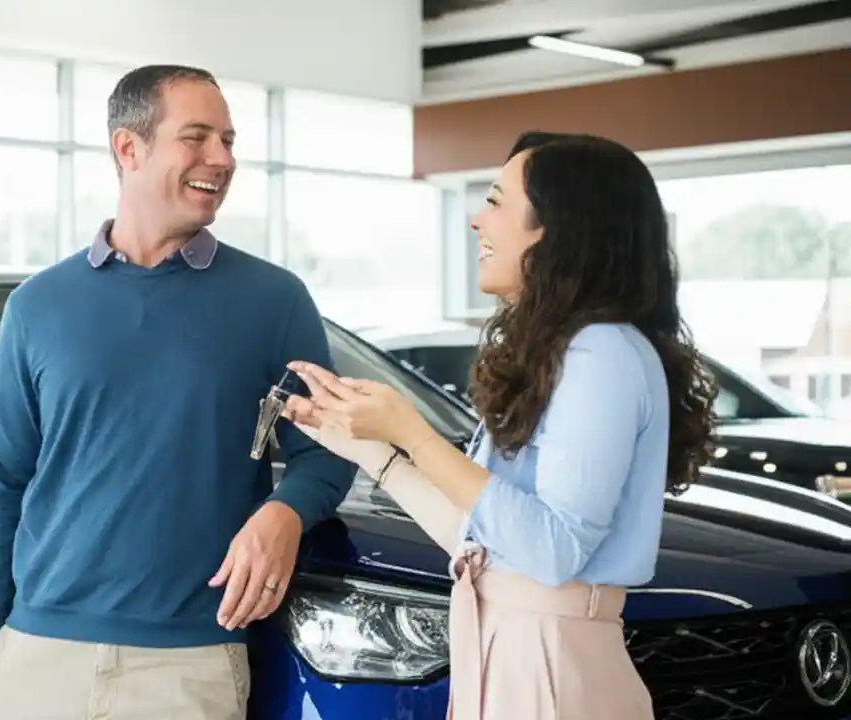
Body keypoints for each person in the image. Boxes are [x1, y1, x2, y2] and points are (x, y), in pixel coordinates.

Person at [0, 64, 355, 720]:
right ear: (129, 147)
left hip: (187, 664)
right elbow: (2, 483)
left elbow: (329, 448)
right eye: (197, 137)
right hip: (36, 659)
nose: (222, 159)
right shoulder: (37, 306)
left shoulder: (273, 301)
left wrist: (285, 512)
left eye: (228, 141)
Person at [282, 131, 717, 719]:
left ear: (558, 229)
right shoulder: (566, 352)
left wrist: (414, 433)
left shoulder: (603, 354)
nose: (476, 222)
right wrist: (368, 447)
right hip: (510, 652)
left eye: (494, 201)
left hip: (549, 667)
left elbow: (554, 549)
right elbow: (482, 541)